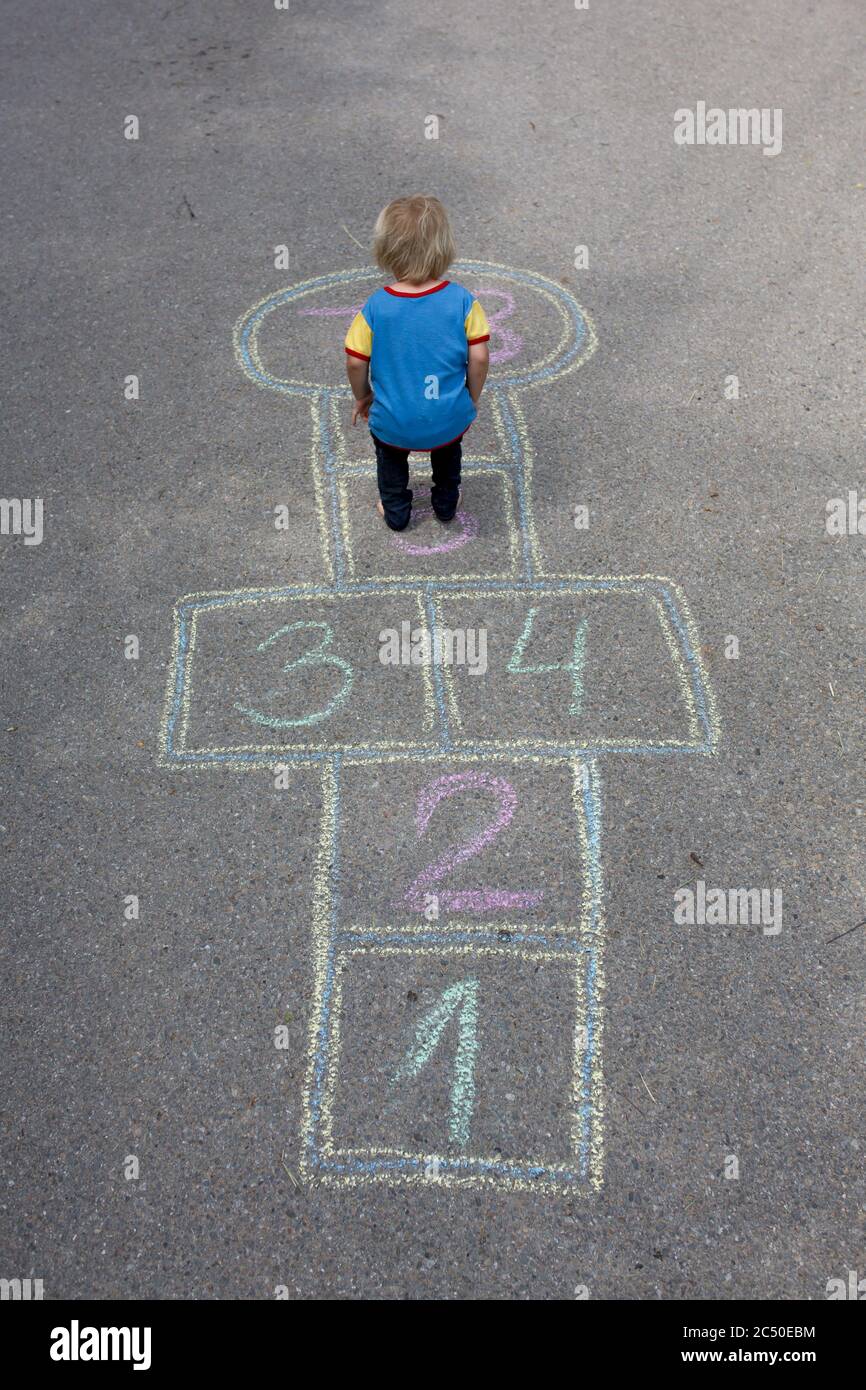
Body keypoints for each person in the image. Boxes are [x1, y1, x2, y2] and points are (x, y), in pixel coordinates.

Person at [344, 195, 490, 531]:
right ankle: (446, 503)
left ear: (387, 251)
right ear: (443, 249)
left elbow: (355, 361)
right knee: (448, 454)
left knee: (391, 459)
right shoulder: (464, 301)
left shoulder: (375, 307)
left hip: (393, 418)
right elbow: (480, 357)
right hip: (447, 415)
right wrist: (471, 395)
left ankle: (396, 510)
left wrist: (363, 395)